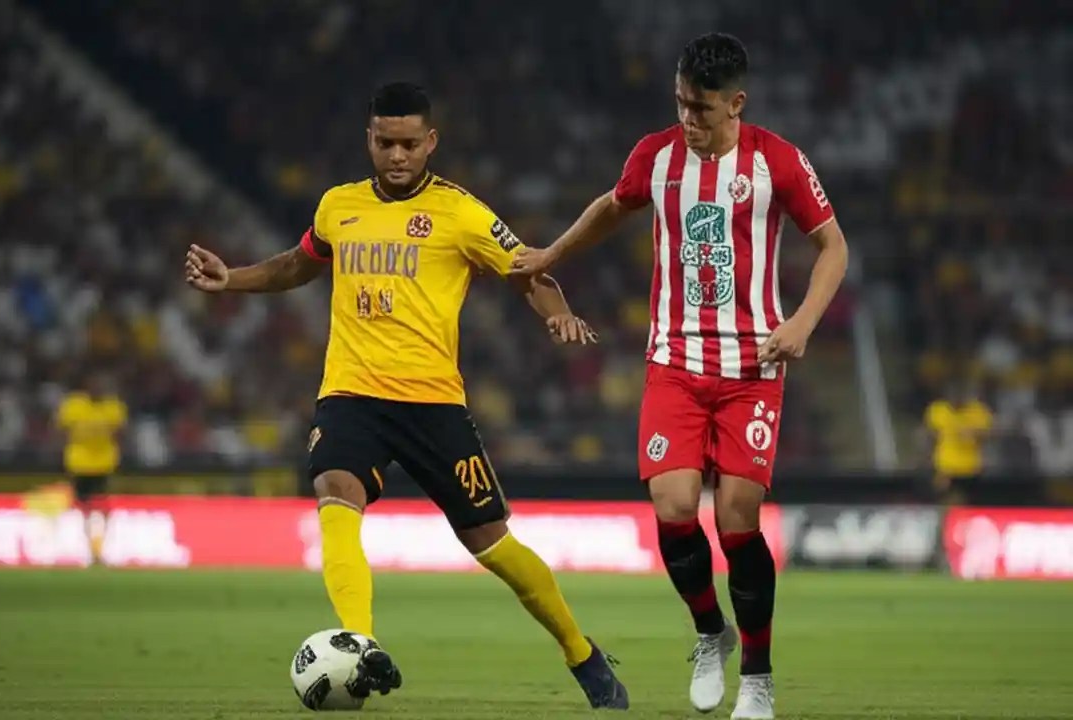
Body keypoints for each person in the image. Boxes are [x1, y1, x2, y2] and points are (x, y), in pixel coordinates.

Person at [184, 82, 628, 710]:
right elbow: (296, 264)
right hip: (351, 394)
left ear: (431, 143)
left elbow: (530, 269)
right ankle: (358, 646)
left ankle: (581, 653)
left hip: (432, 405)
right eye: (386, 142)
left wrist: (555, 313)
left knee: (492, 544)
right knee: (334, 490)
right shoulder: (338, 206)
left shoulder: (461, 213)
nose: (397, 155)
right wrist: (233, 280)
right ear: (369, 139)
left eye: (409, 144)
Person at [510, 33, 849, 720]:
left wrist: (804, 322)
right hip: (675, 364)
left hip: (754, 367)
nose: (688, 120)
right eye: (680, 104)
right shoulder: (655, 156)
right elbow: (611, 205)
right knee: (671, 508)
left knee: (737, 520)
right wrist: (552, 252)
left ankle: (758, 675)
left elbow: (833, 247)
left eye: (700, 108)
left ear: (736, 104)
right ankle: (708, 633)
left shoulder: (778, 161)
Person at [56, 373, 128, 566]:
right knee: (84, 509)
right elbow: (60, 431)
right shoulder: (74, 405)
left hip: (104, 463)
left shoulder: (113, 407)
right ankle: (89, 549)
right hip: (79, 463)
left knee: (104, 507)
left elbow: (121, 432)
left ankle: (102, 547)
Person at [923, 381, 993, 504]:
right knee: (944, 500)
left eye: (960, 396)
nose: (956, 399)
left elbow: (990, 435)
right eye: (953, 396)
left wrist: (975, 433)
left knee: (970, 503)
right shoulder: (937, 410)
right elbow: (930, 436)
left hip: (971, 467)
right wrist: (930, 464)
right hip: (945, 467)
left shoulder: (978, 411)